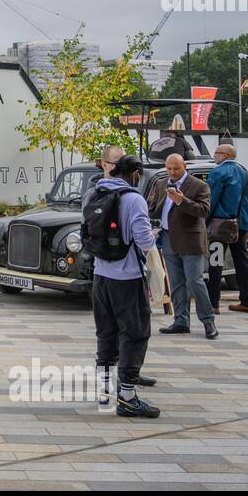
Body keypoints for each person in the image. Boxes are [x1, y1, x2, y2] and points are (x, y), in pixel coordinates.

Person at [85, 154, 160, 419]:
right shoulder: (133, 199)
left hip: (100, 275)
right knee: (136, 333)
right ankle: (127, 396)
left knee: (106, 333)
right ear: (136, 174)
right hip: (126, 278)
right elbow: (143, 240)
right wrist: (153, 234)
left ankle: (105, 392)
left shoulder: (95, 193)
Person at [149, 154, 217, 339]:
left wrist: (181, 200)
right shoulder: (161, 184)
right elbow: (153, 207)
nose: (172, 172)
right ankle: (181, 321)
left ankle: (208, 321)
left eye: (176, 168)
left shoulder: (199, 185)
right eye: (169, 168)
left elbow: (203, 211)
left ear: (184, 166)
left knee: (194, 281)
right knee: (176, 282)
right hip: (168, 238)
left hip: (190, 240)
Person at [206, 143, 248, 314]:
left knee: (215, 262)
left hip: (221, 225)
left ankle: (213, 303)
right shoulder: (246, 174)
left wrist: (204, 220)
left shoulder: (218, 172)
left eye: (217, 153)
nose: (214, 156)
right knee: (242, 262)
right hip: (241, 225)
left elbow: (210, 200)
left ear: (227, 155)